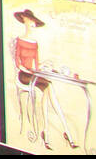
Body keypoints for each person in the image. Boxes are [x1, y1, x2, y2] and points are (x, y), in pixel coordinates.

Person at [12, 8, 78, 150]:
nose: (33, 24)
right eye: (31, 21)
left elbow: (37, 63)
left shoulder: (35, 42)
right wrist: (29, 70)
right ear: (25, 21)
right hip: (24, 75)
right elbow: (19, 64)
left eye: (34, 22)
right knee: (48, 88)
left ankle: (51, 133)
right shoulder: (19, 40)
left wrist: (46, 65)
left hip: (34, 74)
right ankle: (60, 134)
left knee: (49, 89)